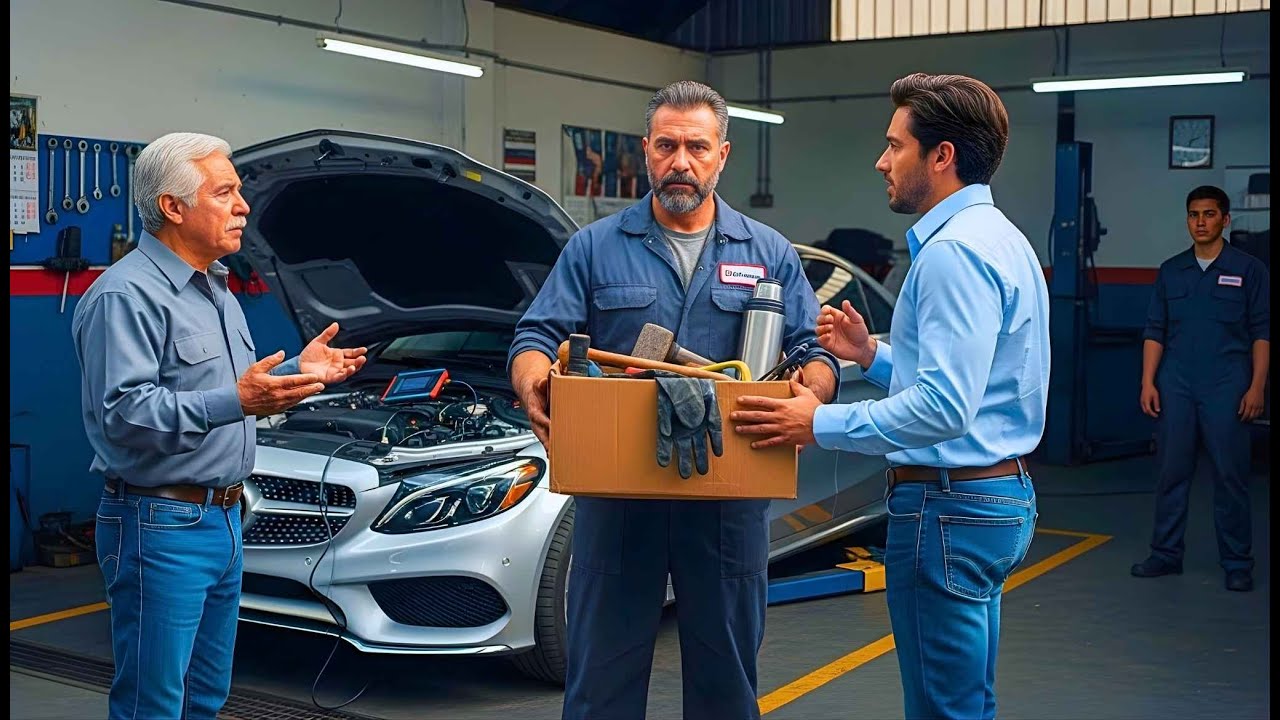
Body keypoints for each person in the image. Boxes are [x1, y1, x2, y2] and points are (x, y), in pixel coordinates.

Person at [507, 80, 838, 720]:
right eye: (667, 146)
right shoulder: (595, 248)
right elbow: (537, 333)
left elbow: (811, 352)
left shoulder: (767, 253)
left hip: (728, 492)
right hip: (618, 493)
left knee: (726, 683)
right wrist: (534, 378)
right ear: (646, 151)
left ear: (723, 154)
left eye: (695, 146)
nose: (680, 161)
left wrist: (809, 392)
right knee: (601, 680)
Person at [732, 73, 1049, 719]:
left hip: (949, 508)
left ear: (942, 156)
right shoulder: (1000, 239)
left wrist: (817, 422)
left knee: (942, 709)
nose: (883, 161)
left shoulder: (954, 254)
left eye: (895, 145)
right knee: (966, 702)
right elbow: (974, 380)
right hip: (992, 498)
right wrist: (873, 357)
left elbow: (944, 408)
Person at [71, 132, 367, 719]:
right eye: (225, 192)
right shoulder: (125, 295)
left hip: (226, 521)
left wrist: (294, 375)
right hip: (160, 524)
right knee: (152, 704)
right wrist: (237, 400)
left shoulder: (217, 291)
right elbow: (124, 414)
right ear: (173, 207)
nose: (243, 206)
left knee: (206, 697)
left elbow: (229, 395)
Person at [1132, 185, 1270, 592]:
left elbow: (1263, 333)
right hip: (1176, 383)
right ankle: (1166, 554)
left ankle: (1237, 561)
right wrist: (1147, 381)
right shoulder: (1171, 271)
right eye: (1194, 215)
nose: (1201, 222)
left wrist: (1257, 387)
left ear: (1225, 220)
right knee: (1172, 472)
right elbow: (1155, 330)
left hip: (1228, 384)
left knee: (1231, 475)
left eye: (1209, 214)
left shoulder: (1249, 271)